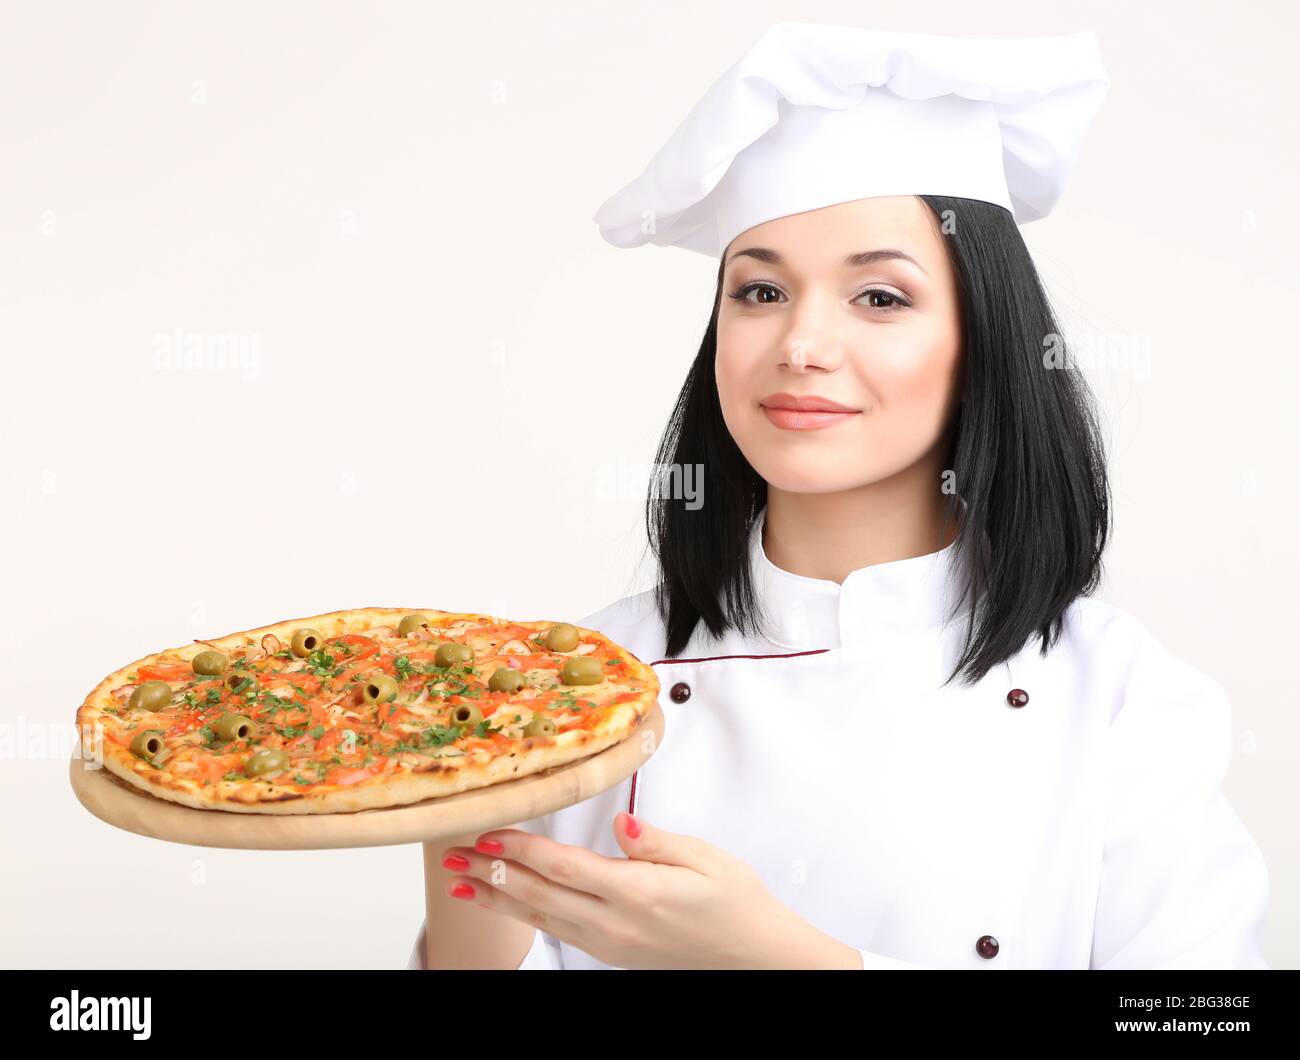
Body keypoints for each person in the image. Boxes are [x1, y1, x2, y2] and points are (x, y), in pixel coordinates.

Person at [408, 22, 1270, 970]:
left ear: (984, 339)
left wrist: (783, 963)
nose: (802, 345)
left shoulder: (1118, 699)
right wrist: (456, 828)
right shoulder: (580, 689)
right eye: (761, 293)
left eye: (880, 298)